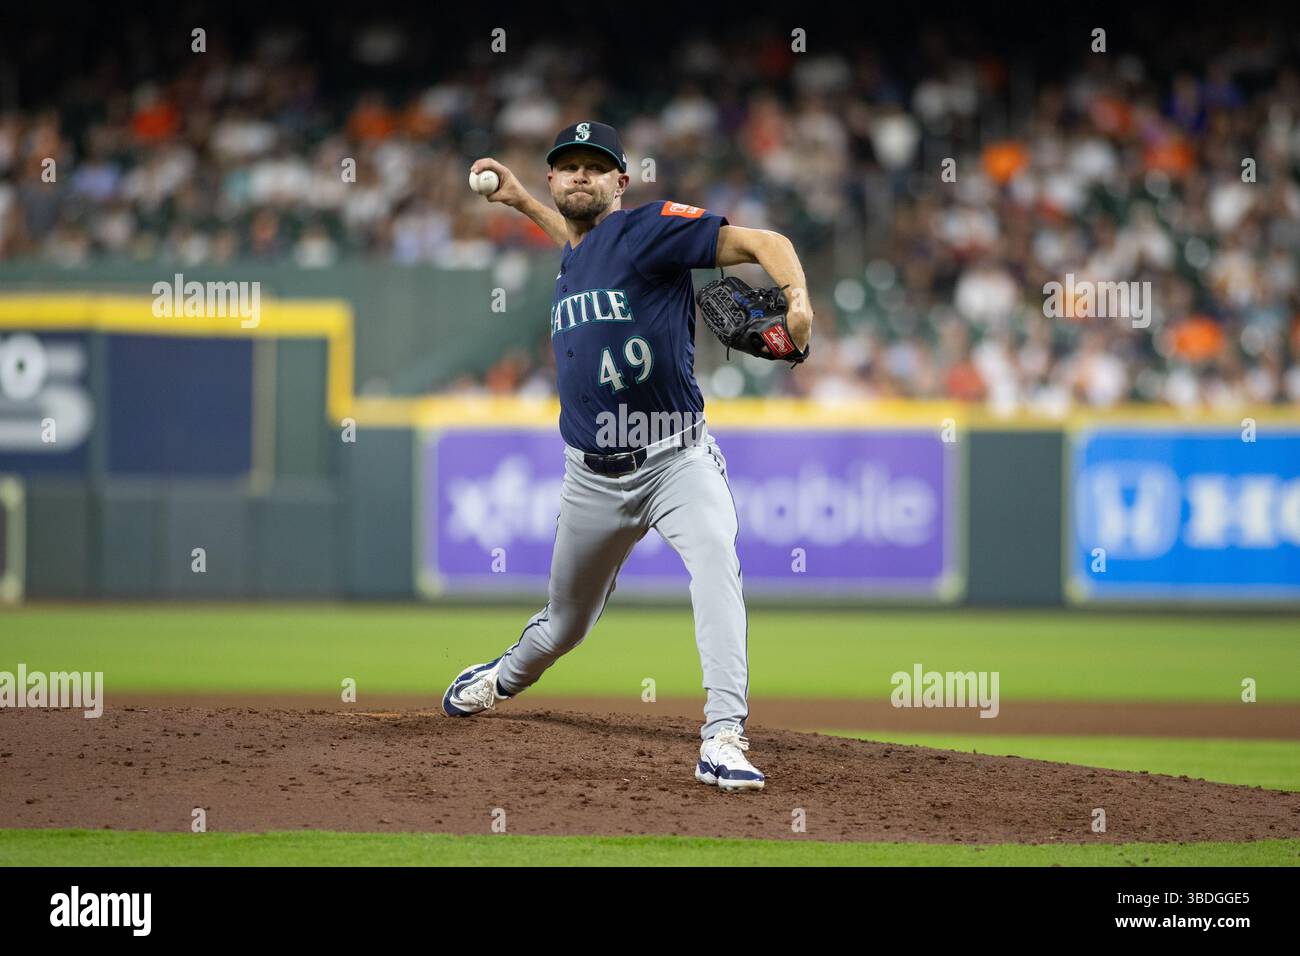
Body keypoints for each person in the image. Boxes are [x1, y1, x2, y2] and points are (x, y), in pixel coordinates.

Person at [442, 122, 812, 791]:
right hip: (591, 477)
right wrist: (525, 203)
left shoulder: (650, 230)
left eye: (596, 166)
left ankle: (723, 735)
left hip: (677, 458)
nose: (580, 175)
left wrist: (799, 300)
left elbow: (766, 242)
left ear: (621, 181)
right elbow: (584, 247)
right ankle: (499, 678)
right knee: (564, 625)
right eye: (568, 167)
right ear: (555, 180)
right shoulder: (578, 253)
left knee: (715, 564)